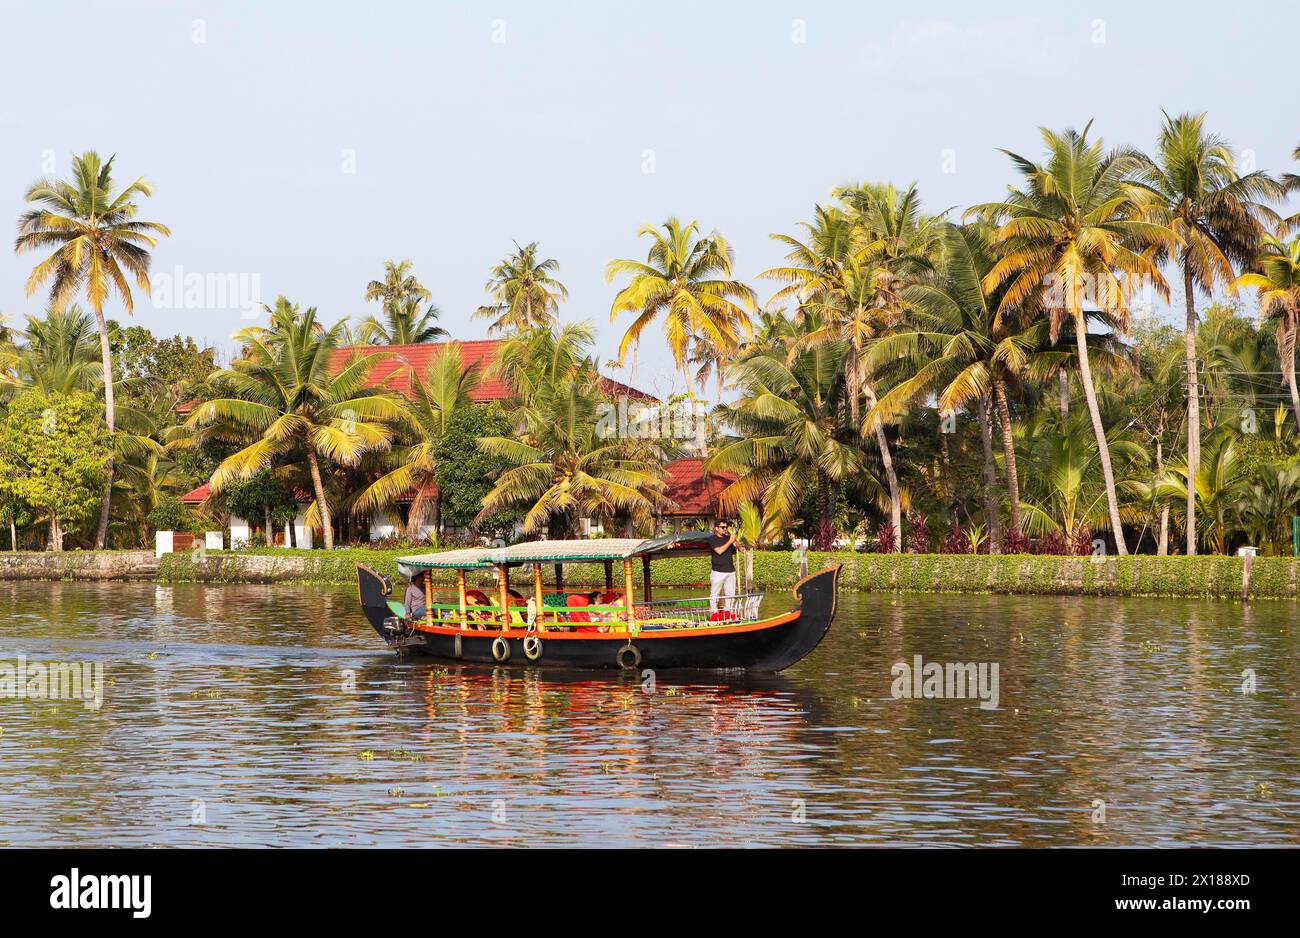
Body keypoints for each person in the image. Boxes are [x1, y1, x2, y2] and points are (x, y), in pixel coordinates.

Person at [708, 518, 738, 614]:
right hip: (718, 572)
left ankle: (728, 614)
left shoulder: (728, 538)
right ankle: (714, 615)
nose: (725, 529)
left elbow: (739, 549)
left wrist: (735, 541)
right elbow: (719, 551)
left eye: (726, 527)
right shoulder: (712, 539)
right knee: (714, 595)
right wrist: (730, 541)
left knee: (730, 595)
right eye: (722, 527)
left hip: (730, 571)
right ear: (716, 528)